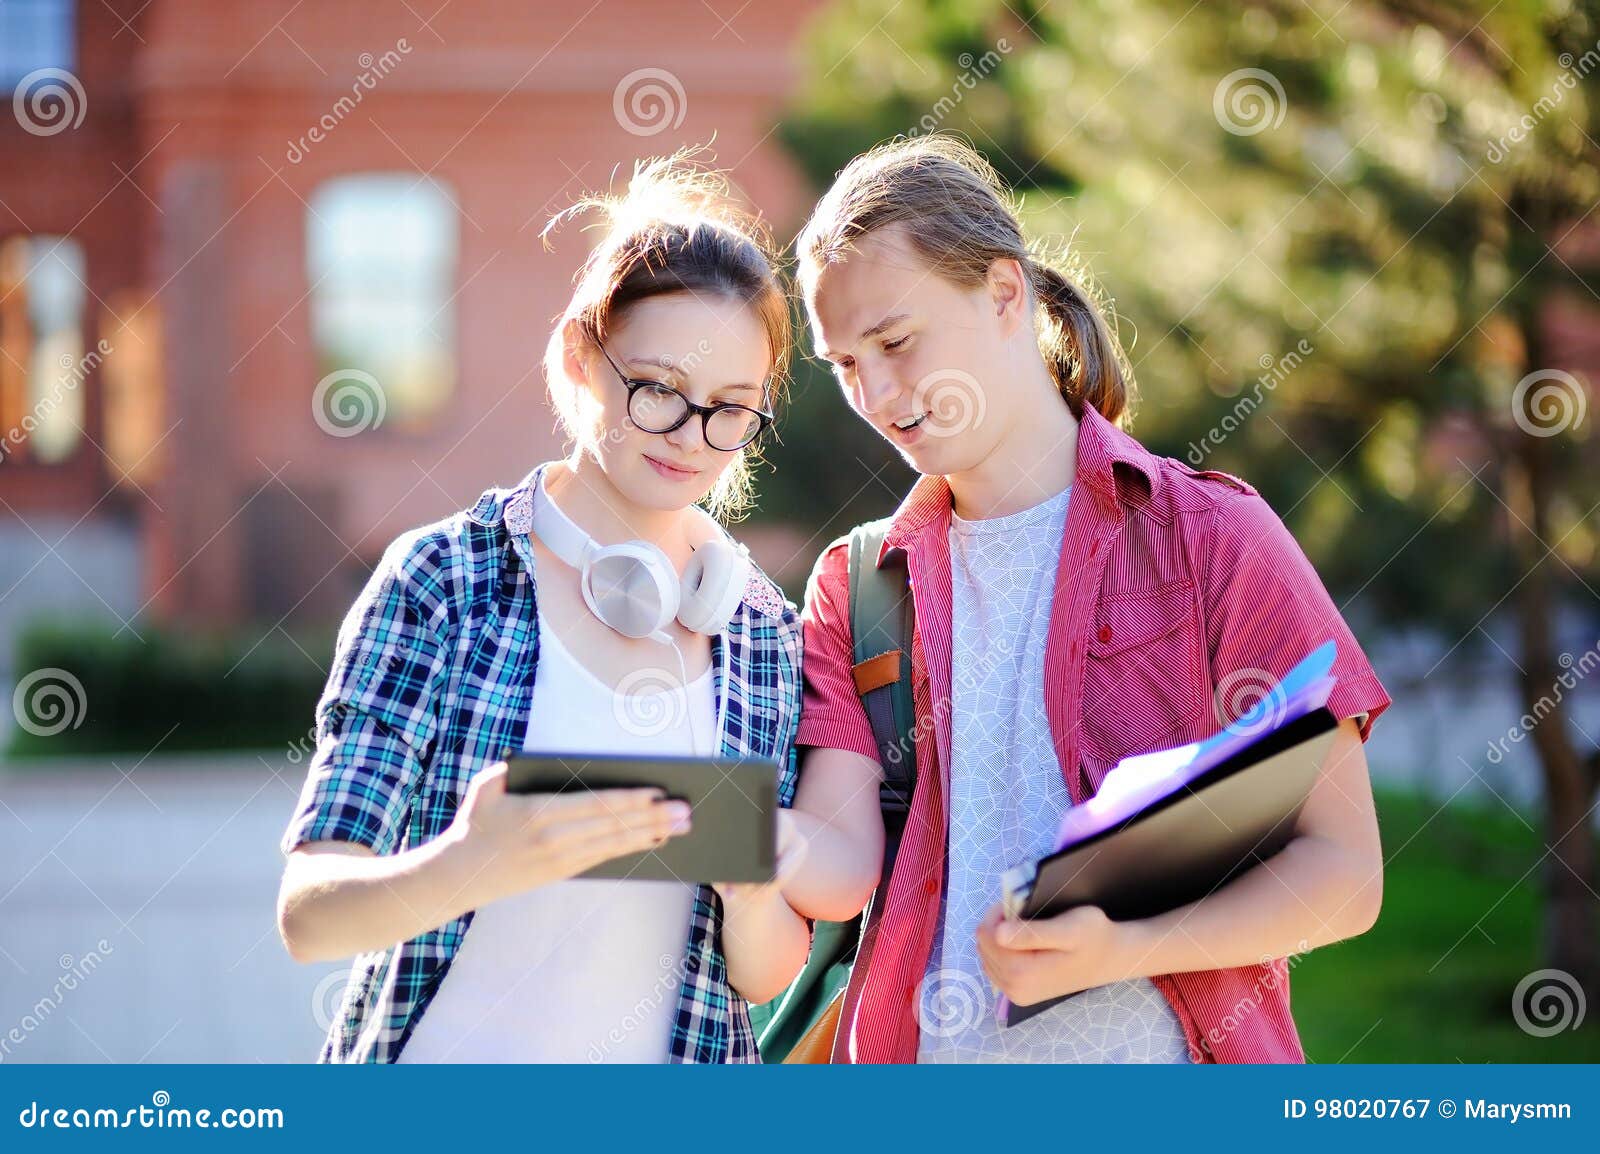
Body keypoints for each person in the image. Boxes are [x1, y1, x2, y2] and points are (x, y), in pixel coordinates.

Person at [781, 135, 1394, 1063]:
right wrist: (682, 812)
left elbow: (1346, 874)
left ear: (1003, 294)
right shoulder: (858, 586)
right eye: (845, 363)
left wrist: (1132, 945)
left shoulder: (1209, 538)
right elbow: (832, 864)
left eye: (896, 341)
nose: (878, 392)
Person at [275, 153, 810, 1063]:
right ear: (578, 358)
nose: (691, 436)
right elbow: (311, 916)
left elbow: (762, 976)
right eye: (657, 390)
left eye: (730, 408)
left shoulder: (762, 632)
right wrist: (469, 865)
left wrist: (753, 893)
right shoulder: (442, 580)